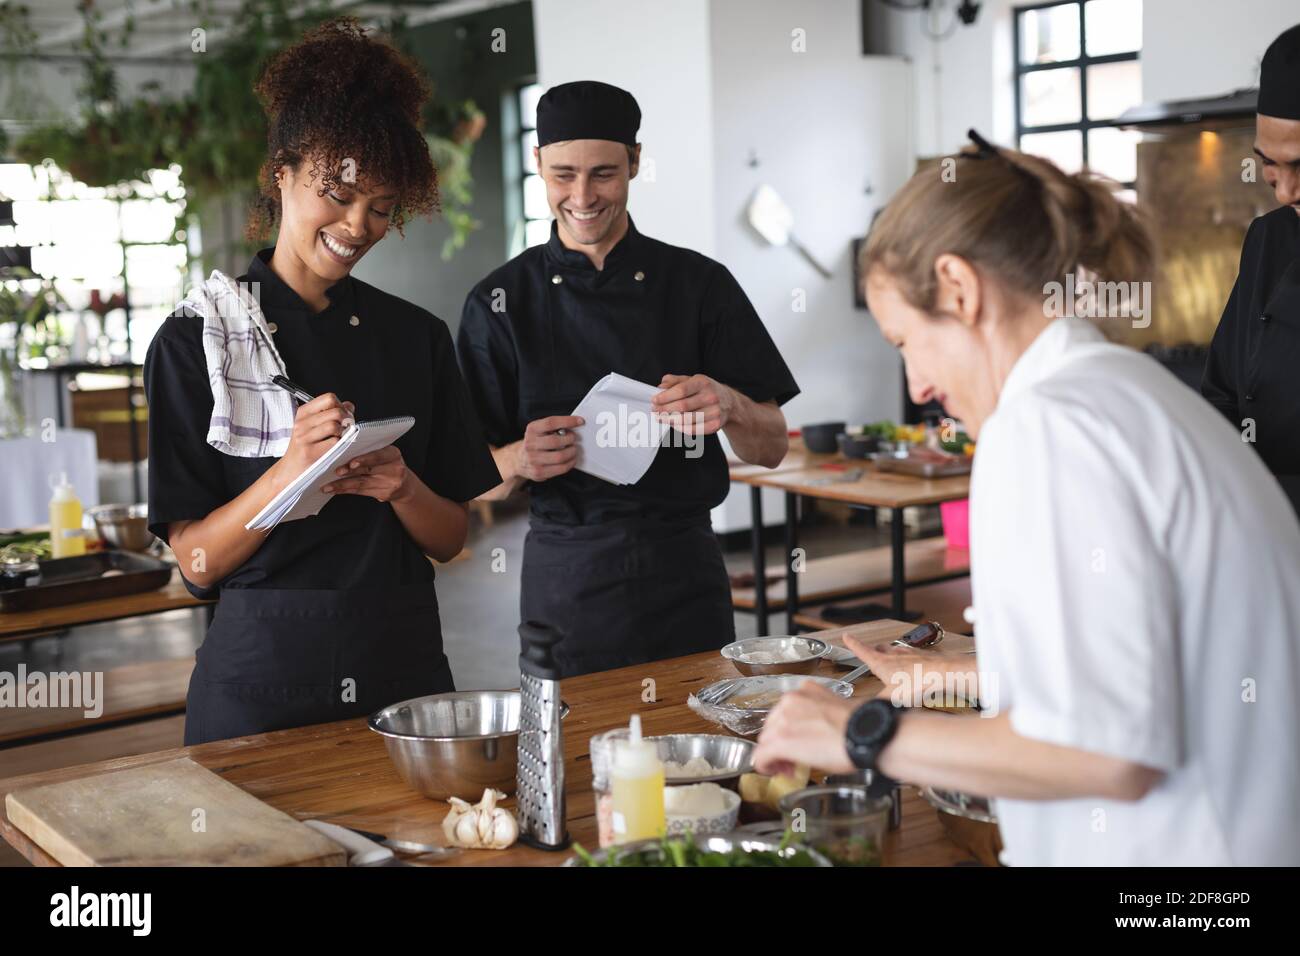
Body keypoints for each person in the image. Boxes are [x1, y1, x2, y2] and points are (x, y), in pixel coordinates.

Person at [753, 133, 1300, 865]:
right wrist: (968, 675)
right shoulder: (1115, 388)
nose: (916, 387)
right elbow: (1152, 654)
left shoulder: (1047, 426)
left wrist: (858, 736)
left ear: (958, 287)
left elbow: (1109, 751)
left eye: (905, 340)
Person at [143, 19, 500, 745]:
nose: (357, 225)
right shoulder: (198, 341)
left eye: (381, 208)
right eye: (338, 193)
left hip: (402, 670)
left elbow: (450, 537)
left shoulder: (417, 338)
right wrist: (291, 471)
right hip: (262, 677)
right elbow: (197, 564)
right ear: (283, 170)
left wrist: (402, 486)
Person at [456, 81, 799, 677]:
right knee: (579, 760)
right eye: (563, 175)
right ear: (537, 164)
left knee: (699, 757)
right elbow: (467, 482)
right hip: (568, 581)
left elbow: (770, 448)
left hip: (684, 568)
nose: (582, 196)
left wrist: (730, 404)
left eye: (604, 174)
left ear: (635, 162)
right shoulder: (498, 302)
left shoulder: (699, 285)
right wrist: (517, 460)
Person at [1202, 23, 1300, 516]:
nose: (1285, 192)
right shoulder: (1267, 238)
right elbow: (1222, 387)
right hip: (1260, 537)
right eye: (1270, 164)